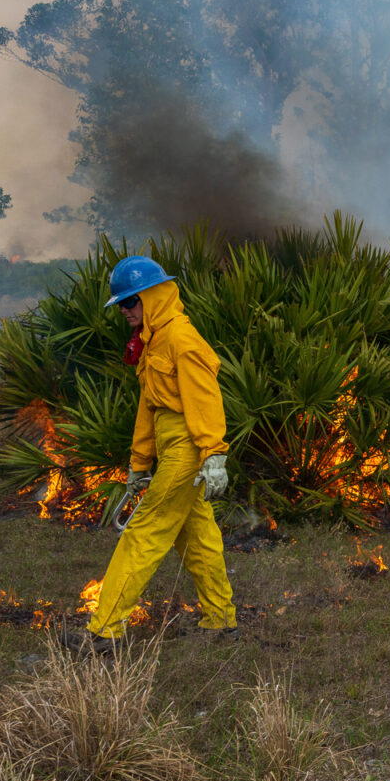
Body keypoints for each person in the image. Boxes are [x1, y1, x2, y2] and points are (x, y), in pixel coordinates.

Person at [59, 255, 238, 654]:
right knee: (197, 535)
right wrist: (139, 463)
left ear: (153, 297)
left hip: (189, 447)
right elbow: (149, 408)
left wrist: (213, 454)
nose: (123, 310)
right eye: (120, 304)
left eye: (129, 302)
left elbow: (204, 400)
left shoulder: (181, 339)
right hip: (172, 441)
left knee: (144, 533)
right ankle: (221, 620)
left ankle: (105, 631)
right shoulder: (153, 339)